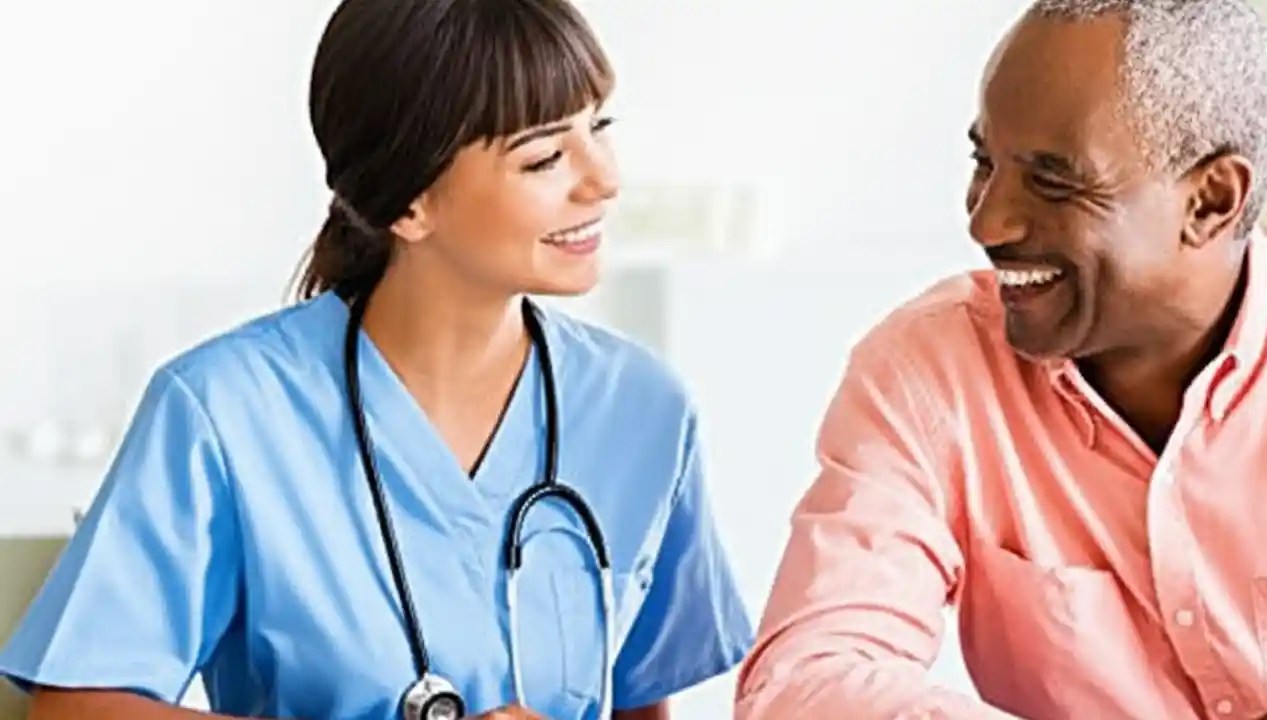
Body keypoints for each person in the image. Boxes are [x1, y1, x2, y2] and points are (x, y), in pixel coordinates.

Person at [0, 1, 754, 718]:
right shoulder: (225, 412)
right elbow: (77, 707)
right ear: (409, 204)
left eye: (601, 127)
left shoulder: (642, 409)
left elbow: (638, 696)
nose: (604, 180)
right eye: (545, 157)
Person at [734, 0, 1267, 718]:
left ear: (1210, 200)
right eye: (984, 163)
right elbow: (804, 678)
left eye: (1053, 182)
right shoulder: (932, 368)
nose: (986, 222)